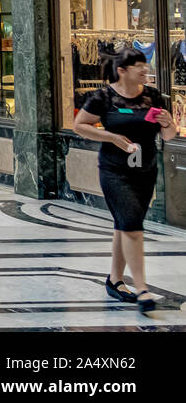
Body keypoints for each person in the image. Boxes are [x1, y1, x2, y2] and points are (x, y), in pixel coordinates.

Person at [74, 48, 178, 312]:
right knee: (131, 224)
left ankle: (114, 280)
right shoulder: (103, 97)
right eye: (139, 66)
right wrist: (112, 137)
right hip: (114, 171)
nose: (145, 70)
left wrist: (168, 123)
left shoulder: (152, 96)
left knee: (126, 223)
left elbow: (168, 136)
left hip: (146, 169)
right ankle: (142, 289)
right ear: (122, 70)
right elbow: (79, 125)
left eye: (145, 66)